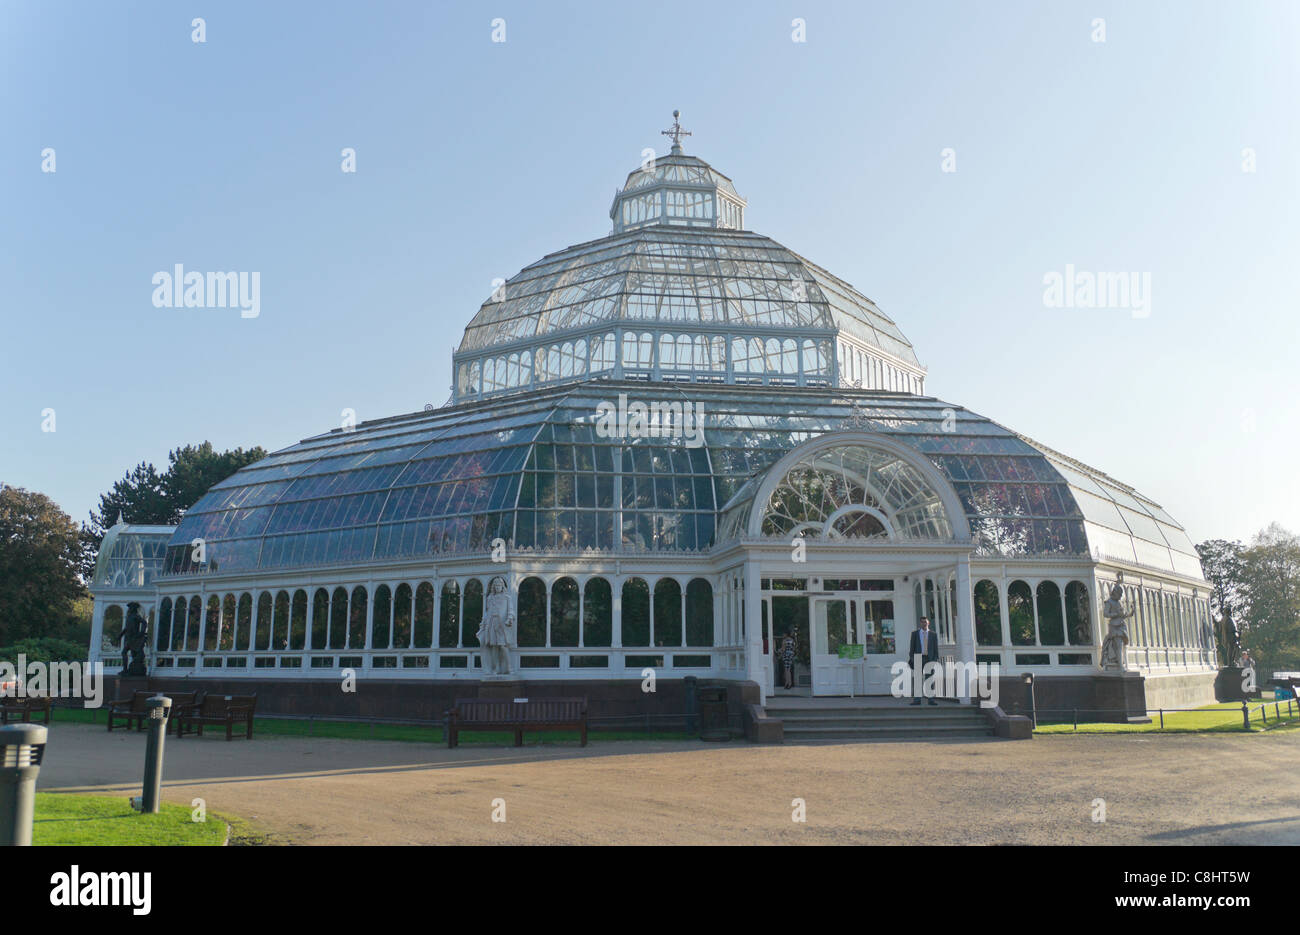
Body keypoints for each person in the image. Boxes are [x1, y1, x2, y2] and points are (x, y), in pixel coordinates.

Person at [908, 616, 939, 705]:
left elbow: (935, 649)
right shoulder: (915, 634)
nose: (923, 623)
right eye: (922, 622)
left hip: (929, 659)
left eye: (925, 622)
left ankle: (931, 700)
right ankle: (917, 700)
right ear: (920, 623)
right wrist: (912, 659)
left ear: (928, 623)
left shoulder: (933, 634)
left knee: (929, 679)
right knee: (917, 680)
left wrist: (934, 659)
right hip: (918, 658)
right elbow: (912, 648)